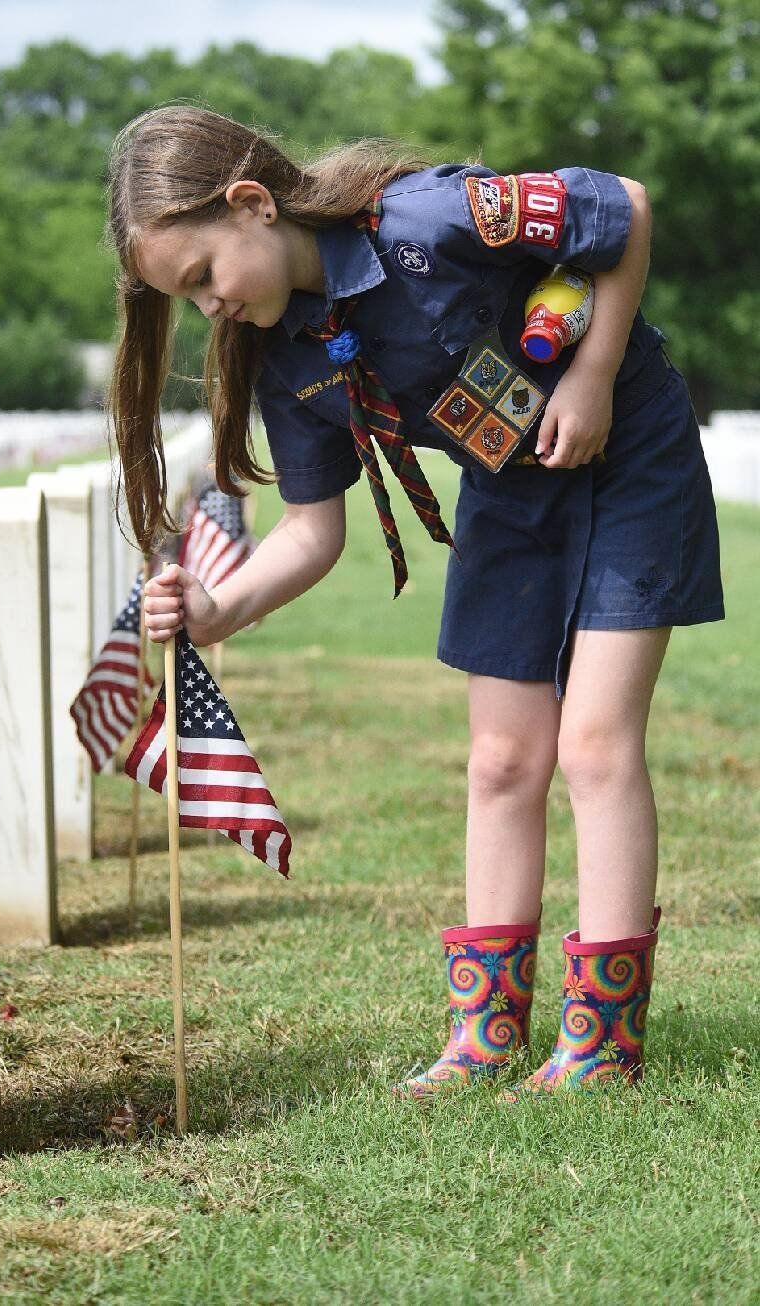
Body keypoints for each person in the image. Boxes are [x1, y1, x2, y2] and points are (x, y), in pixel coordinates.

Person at [107, 105, 724, 1099]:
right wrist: (222, 609)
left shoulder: (429, 220)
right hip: (508, 486)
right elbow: (312, 531)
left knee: (595, 743)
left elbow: (622, 209)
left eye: (203, 277)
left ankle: (602, 1043)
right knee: (499, 758)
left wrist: (595, 375)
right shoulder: (284, 352)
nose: (209, 307)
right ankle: (483, 1034)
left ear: (252, 205)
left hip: (623, 452)